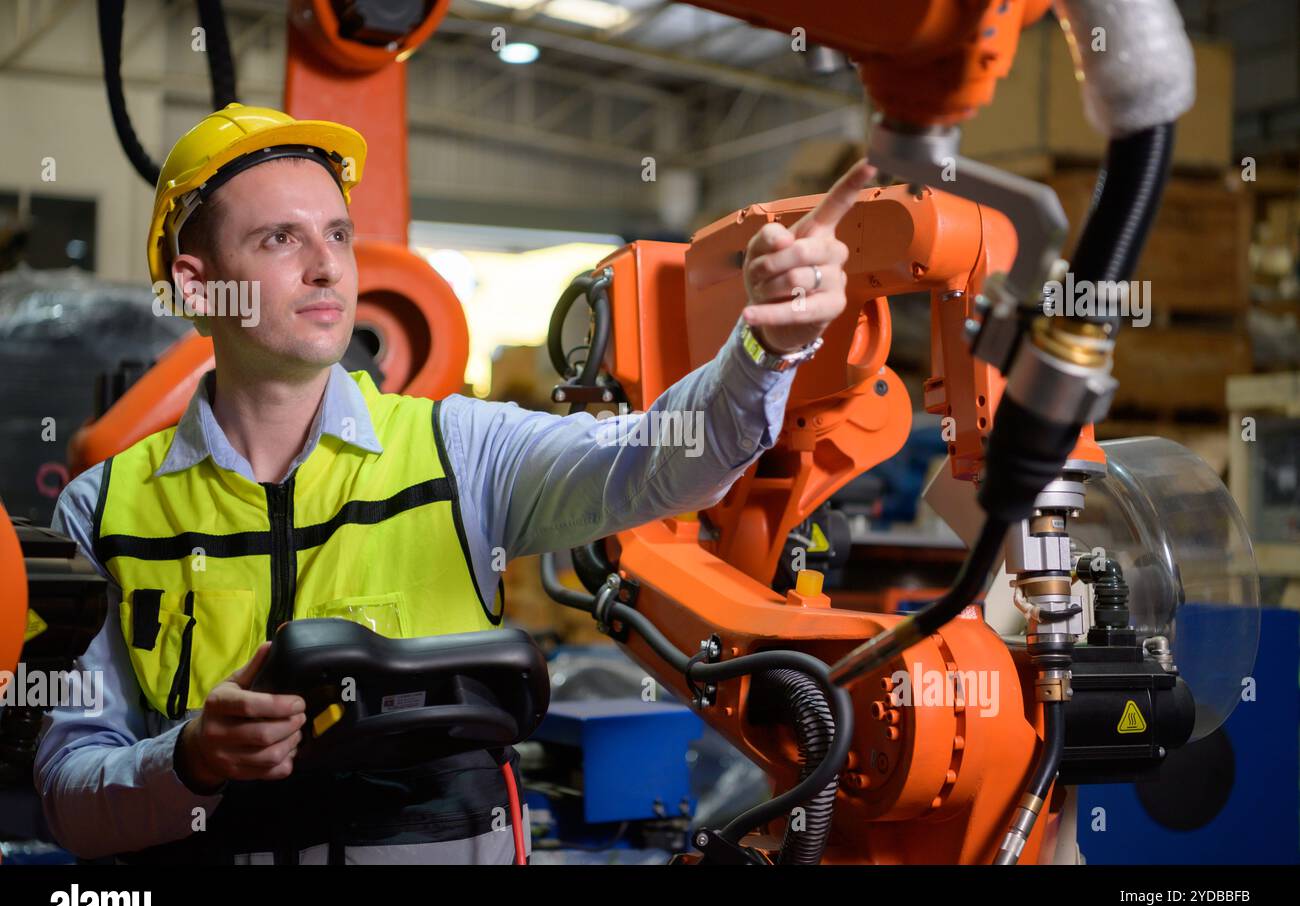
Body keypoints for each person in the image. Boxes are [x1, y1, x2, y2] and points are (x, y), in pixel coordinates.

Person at [34, 103, 870, 864]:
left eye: (337, 234)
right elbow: (70, 797)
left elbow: (661, 459)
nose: (327, 267)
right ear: (195, 282)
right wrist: (190, 759)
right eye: (280, 240)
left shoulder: (455, 450)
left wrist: (768, 349)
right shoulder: (104, 511)